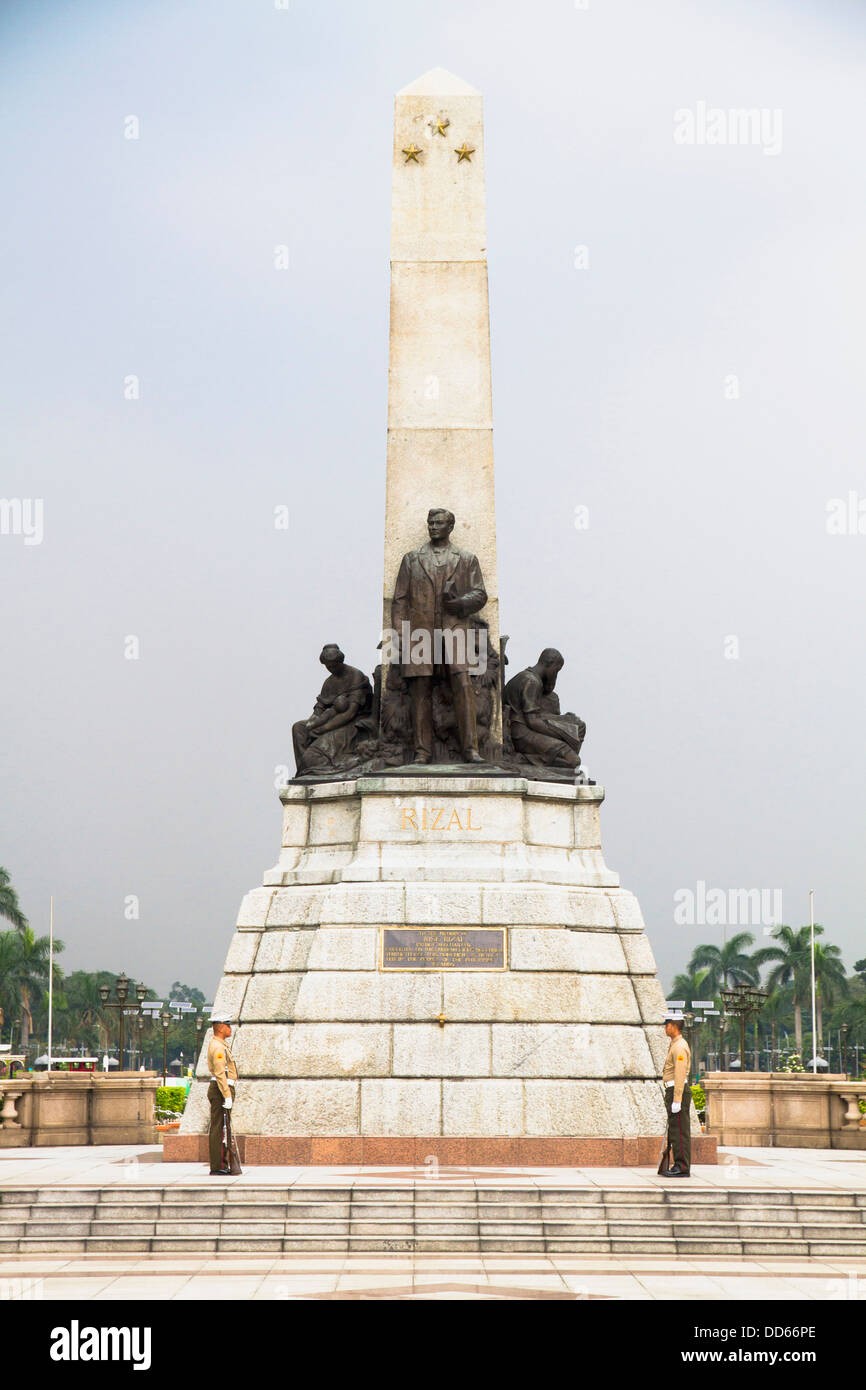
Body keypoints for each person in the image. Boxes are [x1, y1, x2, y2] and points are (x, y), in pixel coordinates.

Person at [391, 508, 488, 764]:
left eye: (439, 523)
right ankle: (422, 751)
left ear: (450, 527)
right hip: (420, 633)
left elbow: (480, 594)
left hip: (454, 630)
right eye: (430, 522)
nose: (433, 526)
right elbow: (399, 600)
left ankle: (470, 749)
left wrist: (460, 604)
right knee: (420, 690)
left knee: (463, 686)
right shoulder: (412, 559)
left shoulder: (466, 559)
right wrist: (401, 634)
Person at [292, 645, 374, 774]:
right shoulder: (329, 682)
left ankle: (321, 766)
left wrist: (323, 729)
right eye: (328, 666)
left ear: (340, 661)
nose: (331, 669)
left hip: (354, 723)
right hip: (330, 719)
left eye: (334, 665)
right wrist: (311, 724)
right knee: (298, 728)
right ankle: (305, 769)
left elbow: (350, 713)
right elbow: (319, 710)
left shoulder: (355, 675)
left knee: (313, 754)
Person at [503, 649, 585, 769]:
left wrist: (565, 720)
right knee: (573, 760)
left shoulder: (528, 677)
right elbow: (533, 721)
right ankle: (522, 759)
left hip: (525, 728)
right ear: (549, 664)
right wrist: (564, 733)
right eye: (556, 670)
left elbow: (537, 714)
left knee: (578, 725)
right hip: (520, 734)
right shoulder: (531, 681)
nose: (556, 675)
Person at [207, 1013, 242, 1176]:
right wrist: (227, 1096)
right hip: (221, 1090)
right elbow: (221, 1073)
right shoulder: (218, 1047)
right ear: (221, 1027)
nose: (230, 1028)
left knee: (221, 1127)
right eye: (228, 1025)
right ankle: (218, 1164)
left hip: (222, 1089)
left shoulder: (220, 1044)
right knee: (218, 1129)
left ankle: (221, 1162)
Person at [658, 1013, 692, 1177]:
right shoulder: (675, 1044)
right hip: (672, 1090)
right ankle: (678, 1164)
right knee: (675, 1129)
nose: (666, 1028)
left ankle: (682, 1166)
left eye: (667, 1024)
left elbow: (679, 1074)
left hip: (676, 1090)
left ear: (674, 1026)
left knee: (679, 1131)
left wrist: (677, 1099)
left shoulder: (679, 1046)